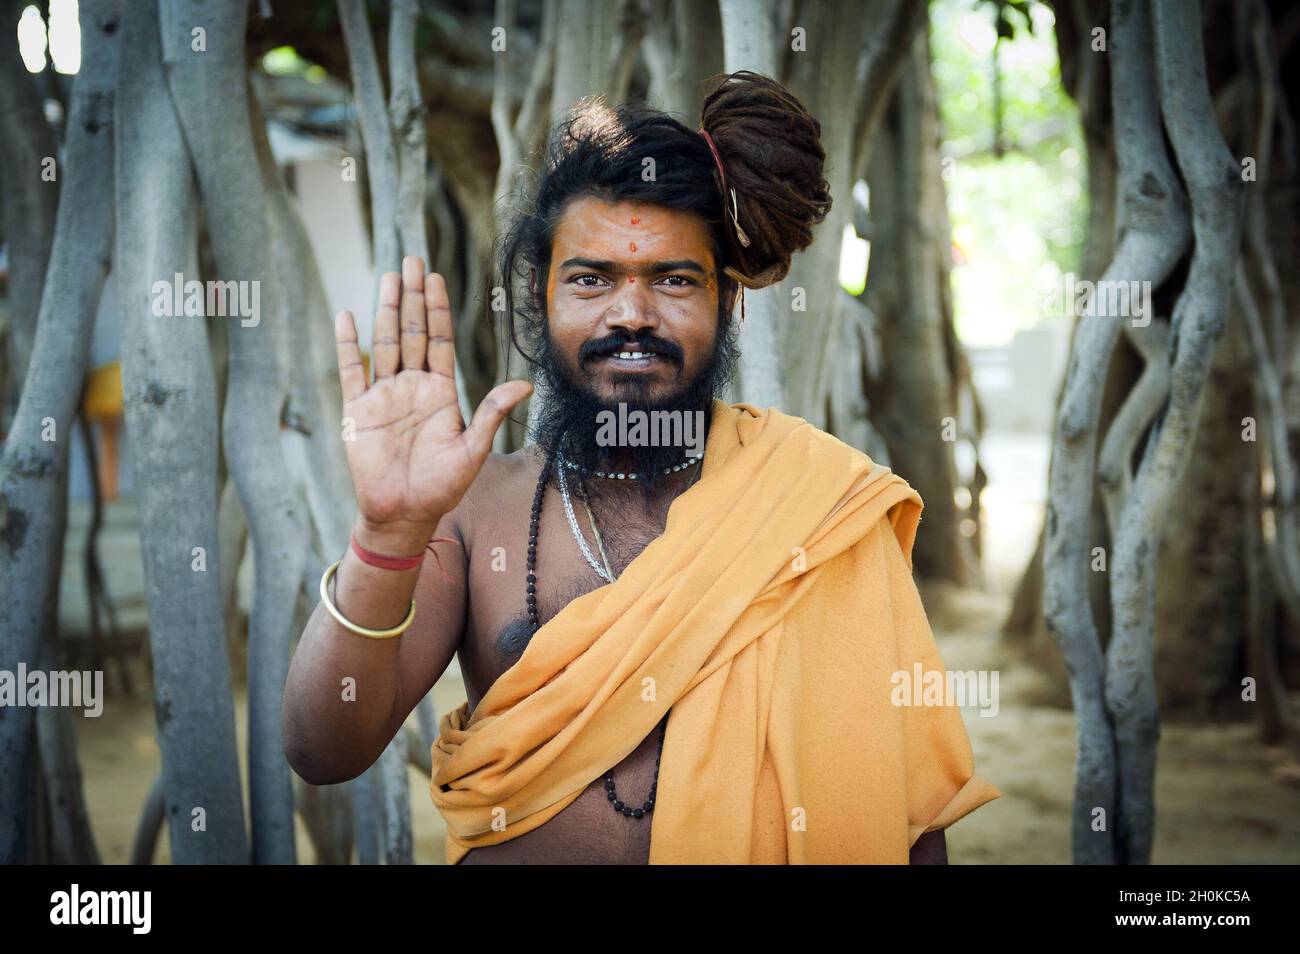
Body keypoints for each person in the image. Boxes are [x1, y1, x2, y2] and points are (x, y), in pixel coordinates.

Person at [282, 71, 999, 864]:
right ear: (539, 294)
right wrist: (387, 531)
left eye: (673, 279)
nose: (631, 314)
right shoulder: (475, 510)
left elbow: (902, 813)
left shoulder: (819, 504)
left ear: (729, 301)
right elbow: (323, 750)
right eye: (591, 279)